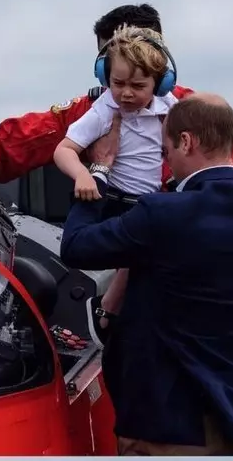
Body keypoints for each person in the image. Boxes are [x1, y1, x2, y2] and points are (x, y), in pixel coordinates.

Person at [0, 3, 233, 343]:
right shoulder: (91, 113)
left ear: (160, 67)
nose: (122, 91)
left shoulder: (197, 117)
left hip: (188, 285)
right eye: (112, 71)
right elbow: (5, 144)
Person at [59, 93, 233, 455]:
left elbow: (76, 246)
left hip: (169, 421)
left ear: (187, 141)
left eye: (166, 151)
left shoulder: (161, 214)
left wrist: (97, 170)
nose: (167, 162)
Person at [54, 24, 178, 349]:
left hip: (148, 204)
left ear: (160, 84)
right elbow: (64, 149)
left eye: (138, 86)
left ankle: (119, 319)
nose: (125, 93)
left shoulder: (170, 110)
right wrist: (82, 175)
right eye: (117, 83)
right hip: (114, 201)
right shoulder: (105, 109)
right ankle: (100, 315)